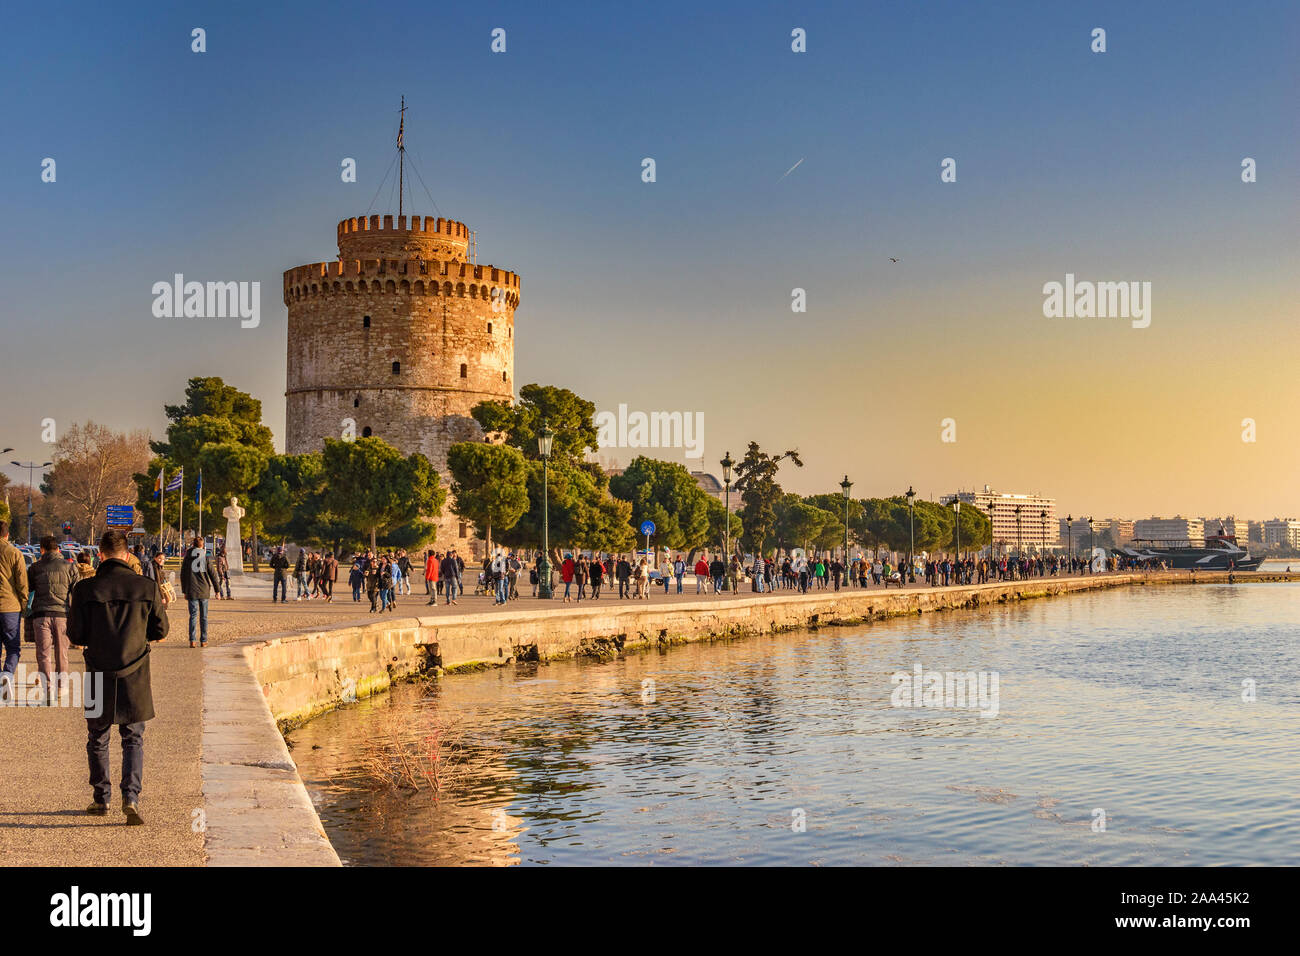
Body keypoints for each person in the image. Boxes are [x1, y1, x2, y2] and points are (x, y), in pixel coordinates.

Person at [68, 529, 168, 825]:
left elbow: (75, 633)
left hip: (98, 669)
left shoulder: (85, 590)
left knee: (97, 735)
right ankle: (131, 796)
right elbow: (161, 629)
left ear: (100, 554)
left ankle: (101, 798)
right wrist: (139, 635)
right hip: (135, 669)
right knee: (133, 737)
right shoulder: (146, 587)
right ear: (127, 555)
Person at [27, 536, 78, 702]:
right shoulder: (70, 567)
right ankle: (61, 687)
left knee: (43, 653)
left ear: (42, 549)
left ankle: (47, 687)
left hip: (41, 615)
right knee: (62, 653)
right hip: (63, 615)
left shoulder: (35, 568)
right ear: (58, 549)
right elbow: (77, 592)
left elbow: (28, 589)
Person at [0, 520, 29, 687]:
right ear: (7, 535)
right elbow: (22, 583)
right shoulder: (14, 553)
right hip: (10, 607)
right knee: (13, 647)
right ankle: (7, 675)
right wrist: (24, 604)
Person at [179, 537, 221, 648]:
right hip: (204, 590)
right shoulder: (206, 558)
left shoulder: (187, 557)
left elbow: (183, 574)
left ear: (193, 545)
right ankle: (204, 640)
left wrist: (184, 590)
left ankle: (192, 640)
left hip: (192, 590)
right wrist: (217, 590)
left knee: (193, 616)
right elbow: (213, 575)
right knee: (204, 617)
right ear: (202, 546)